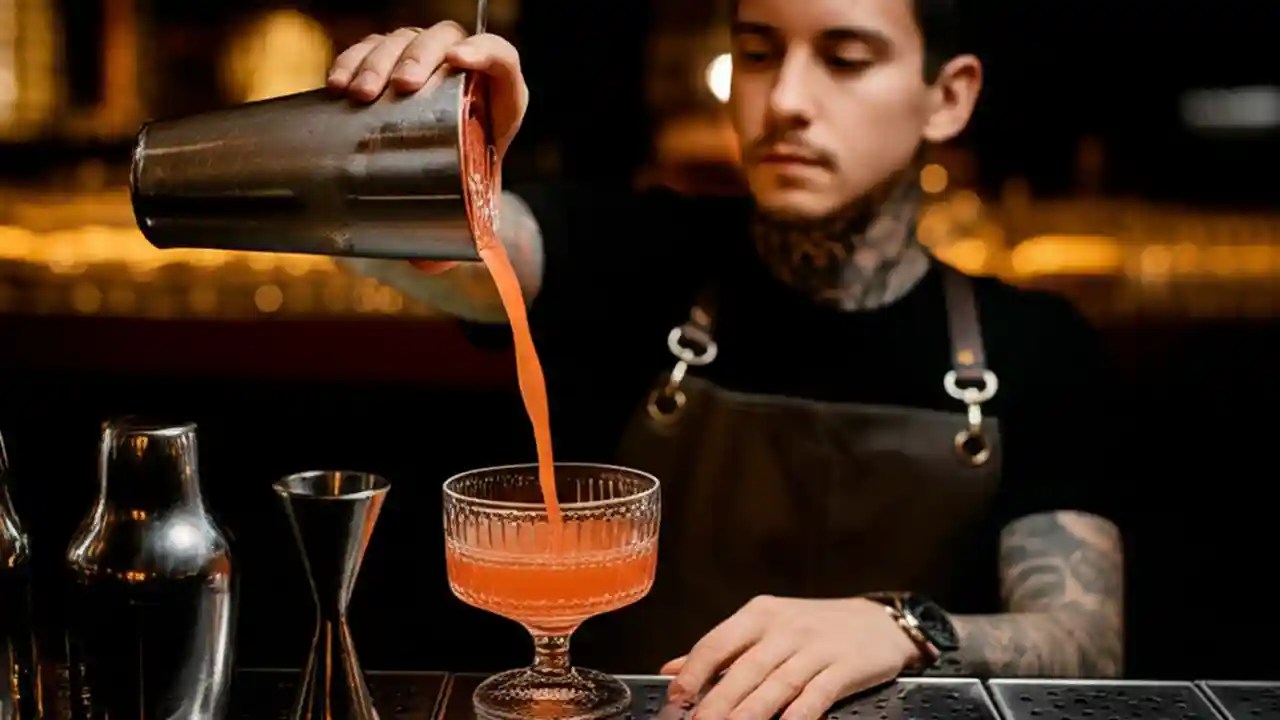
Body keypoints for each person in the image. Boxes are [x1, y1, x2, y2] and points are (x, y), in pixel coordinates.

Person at [330, 0, 1126, 717]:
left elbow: (1086, 644)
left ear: (948, 96)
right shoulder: (635, 260)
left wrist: (902, 626)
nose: (784, 102)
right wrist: (423, 138)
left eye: (845, 59)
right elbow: (400, 241)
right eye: (757, 53)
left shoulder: (1034, 344)